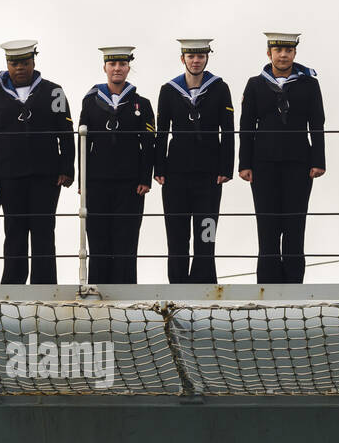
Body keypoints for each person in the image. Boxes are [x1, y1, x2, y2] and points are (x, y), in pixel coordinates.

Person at [0, 39, 74, 284]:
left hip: (46, 175)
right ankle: (13, 285)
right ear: (7, 64)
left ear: (33, 61)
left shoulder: (54, 91)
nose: (19, 68)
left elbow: (66, 134)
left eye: (24, 62)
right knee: (14, 231)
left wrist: (67, 168)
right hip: (9, 175)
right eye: (14, 63)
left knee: (44, 231)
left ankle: (45, 285)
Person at [238, 32, 325, 284]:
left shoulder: (309, 84)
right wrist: (244, 164)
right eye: (278, 51)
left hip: (299, 163)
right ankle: (266, 285)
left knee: (295, 225)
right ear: (269, 54)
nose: (283, 55)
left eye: (288, 51)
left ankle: (294, 284)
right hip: (263, 164)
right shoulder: (255, 84)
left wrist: (318, 160)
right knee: (267, 227)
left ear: (294, 54)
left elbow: (317, 123)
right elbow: (246, 126)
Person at [155, 38, 234, 284]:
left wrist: (226, 167)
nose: (196, 61)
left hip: (209, 174)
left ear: (206, 58)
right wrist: (159, 166)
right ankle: (177, 286)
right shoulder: (168, 91)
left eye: (200, 56)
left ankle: (204, 283)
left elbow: (229, 130)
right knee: (176, 234)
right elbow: (161, 132)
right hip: (176, 173)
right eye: (191, 57)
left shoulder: (220, 88)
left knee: (206, 232)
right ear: (183, 59)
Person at [77, 45, 155, 284]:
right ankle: (98, 289)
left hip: (130, 183)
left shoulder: (142, 103)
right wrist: (83, 181)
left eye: (122, 64)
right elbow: (83, 145)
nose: (117, 69)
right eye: (112, 64)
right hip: (97, 182)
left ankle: (126, 290)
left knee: (126, 239)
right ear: (105, 68)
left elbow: (149, 144)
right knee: (99, 239)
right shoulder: (90, 102)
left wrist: (145, 178)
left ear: (128, 67)